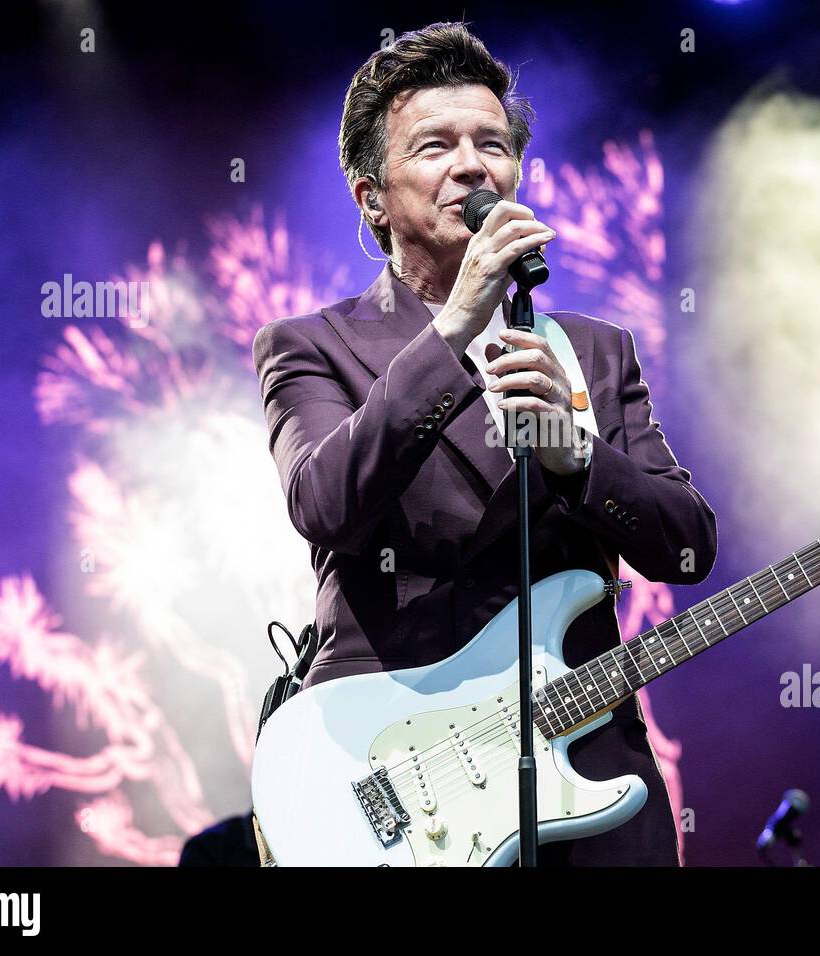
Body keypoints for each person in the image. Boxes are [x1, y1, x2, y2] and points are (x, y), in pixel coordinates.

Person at [252, 21, 717, 866]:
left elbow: (687, 549)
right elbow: (324, 504)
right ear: (371, 197)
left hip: (590, 769)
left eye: (493, 146)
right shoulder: (311, 346)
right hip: (396, 774)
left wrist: (579, 459)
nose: (474, 166)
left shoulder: (596, 349)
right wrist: (457, 323)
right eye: (436, 145)